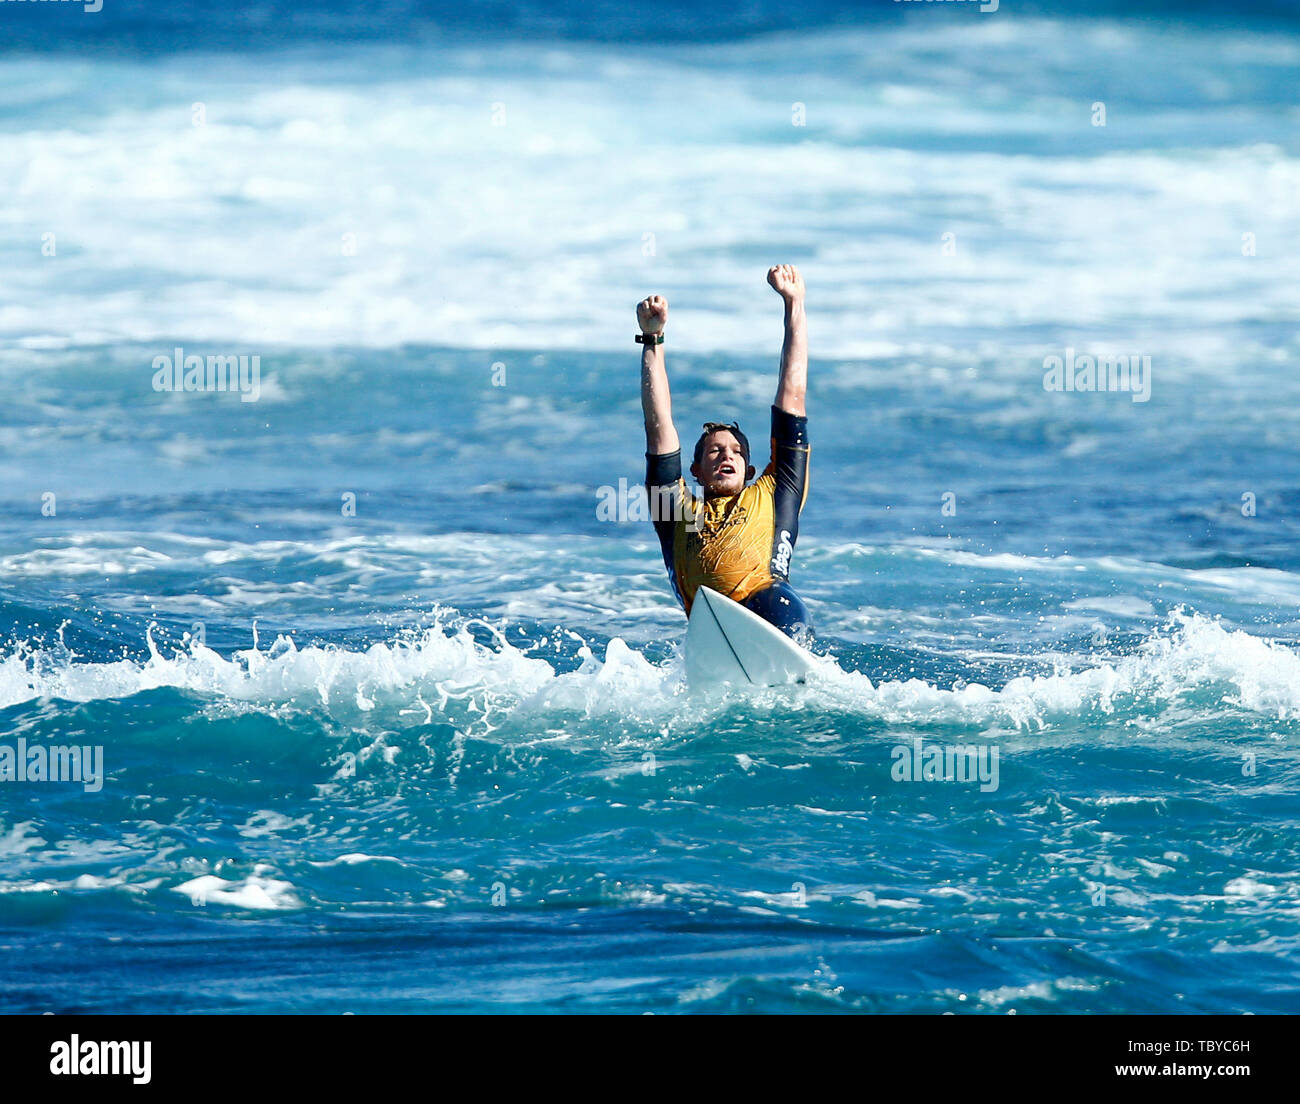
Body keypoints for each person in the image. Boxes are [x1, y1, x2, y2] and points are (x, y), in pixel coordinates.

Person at [638, 264, 813, 643]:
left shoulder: (777, 492)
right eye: (714, 452)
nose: (725, 456)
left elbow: (792, 396)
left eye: (735, 451)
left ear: (750, 469)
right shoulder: (675, 511)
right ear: (696, 471)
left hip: (771, 611)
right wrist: (653, 341)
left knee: (780, 602)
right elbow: (659, 427)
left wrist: (794, 303)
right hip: (713, 629)